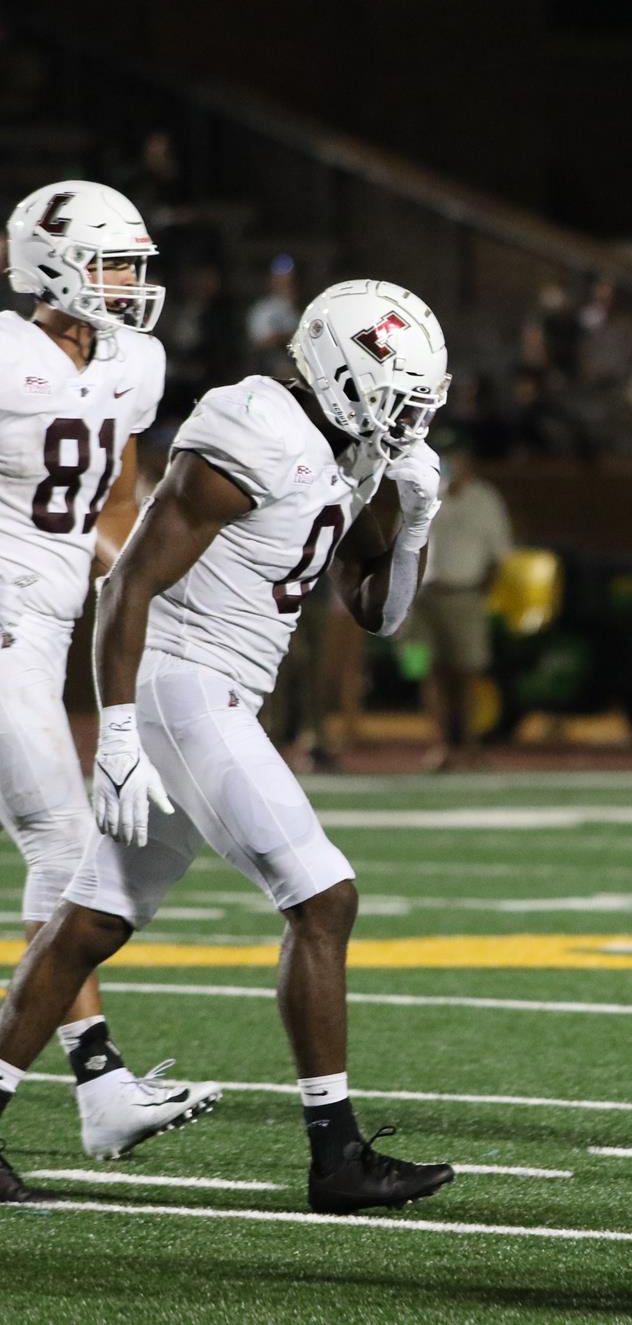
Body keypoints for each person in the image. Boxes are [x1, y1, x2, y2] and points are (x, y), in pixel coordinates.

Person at [0, 279, 456, 1212]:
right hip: (182, 686)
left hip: (218, 696)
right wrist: (119, 730)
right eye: (397, 394)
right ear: (338, 369)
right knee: (323, 896)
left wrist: (415, 524)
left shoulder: (346, 454)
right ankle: (336, 1154)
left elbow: (378, 612)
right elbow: (126, 585)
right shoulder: (255, 424)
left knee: (93, 920)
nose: (407, 418)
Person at [0, 181, 219, 1186]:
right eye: (112, 265)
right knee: (66, 842)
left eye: (135, 267)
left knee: (64, 844)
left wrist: (136, 587)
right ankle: (96, 1084)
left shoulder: (132, 360)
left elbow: (116, 489)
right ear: (50, 265)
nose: (130, 287)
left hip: (46, 623)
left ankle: (100, 1087)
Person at [406, 441, 513, 770]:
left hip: (464, 596)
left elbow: (499, 554)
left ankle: (469, 745)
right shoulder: (427, 492)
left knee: (467, 673)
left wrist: (481, 592)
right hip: (425, 596)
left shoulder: (485, 498)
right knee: (427, 671)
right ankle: (440, 746)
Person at [244, 253, 300, 375]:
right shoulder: (263, 308)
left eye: (290, 280)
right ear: (271, 281)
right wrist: (286, 336)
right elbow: (261, 343)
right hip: (271, 362)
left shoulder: (299, 308)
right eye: (281, 280)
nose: (286, 284)